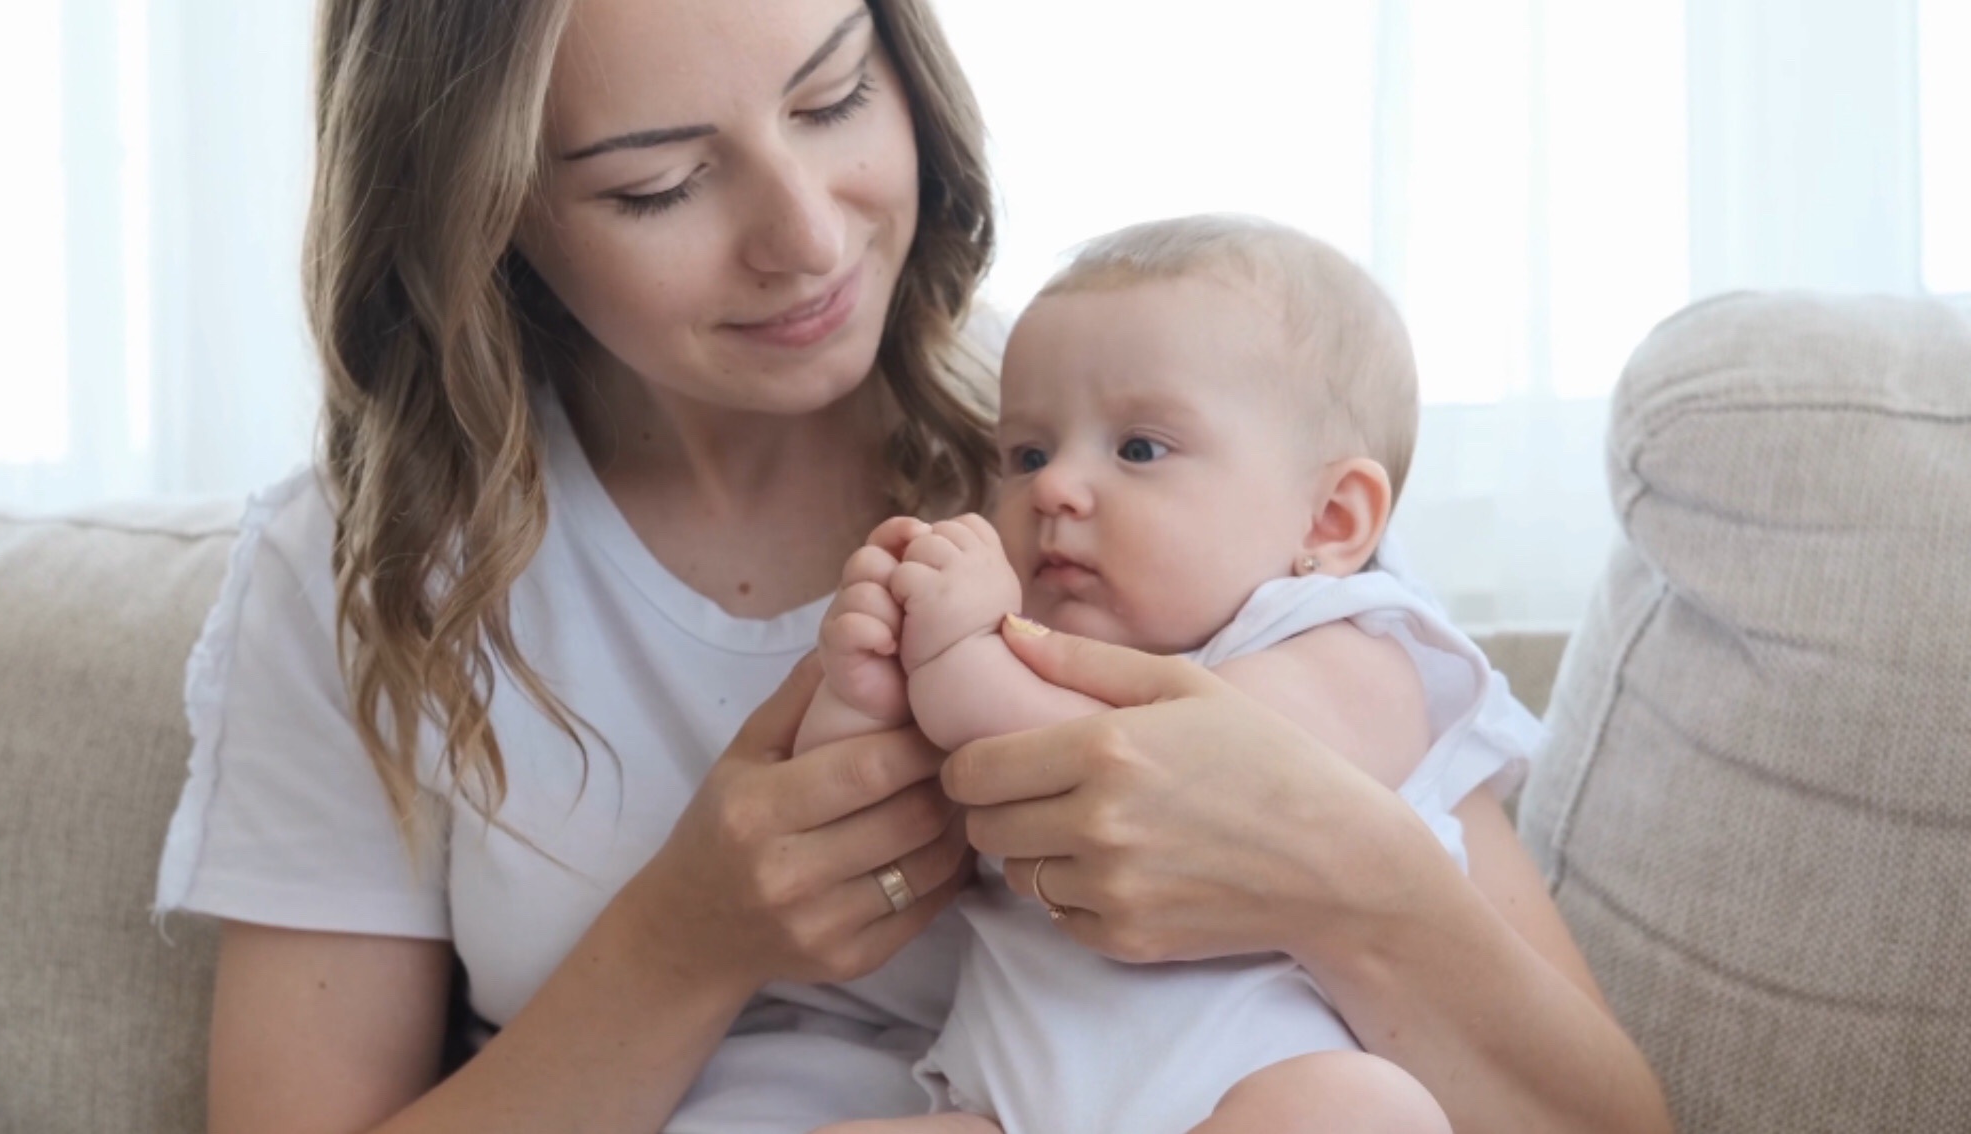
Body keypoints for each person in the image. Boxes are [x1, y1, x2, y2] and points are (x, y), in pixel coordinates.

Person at [150, 1, 1674, 1131]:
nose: (806, 240)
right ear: (482, 219)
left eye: (831, 101)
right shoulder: (378, 575)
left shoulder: (1145, 456)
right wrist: (689, 938)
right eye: (658, 186)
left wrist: (1344, 879)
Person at [799, 214, 1505, 1133]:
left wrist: (958, 663)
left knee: (1362, 1113)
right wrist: (862, 693)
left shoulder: (1358, 647)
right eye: (1027, 455)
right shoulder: (1014, 648)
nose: (1055, 489)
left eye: (1138, 448)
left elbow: (1168, 762)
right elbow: (864, 835)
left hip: (1251, 1097)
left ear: (1330, 520)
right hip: (1006, 1110)